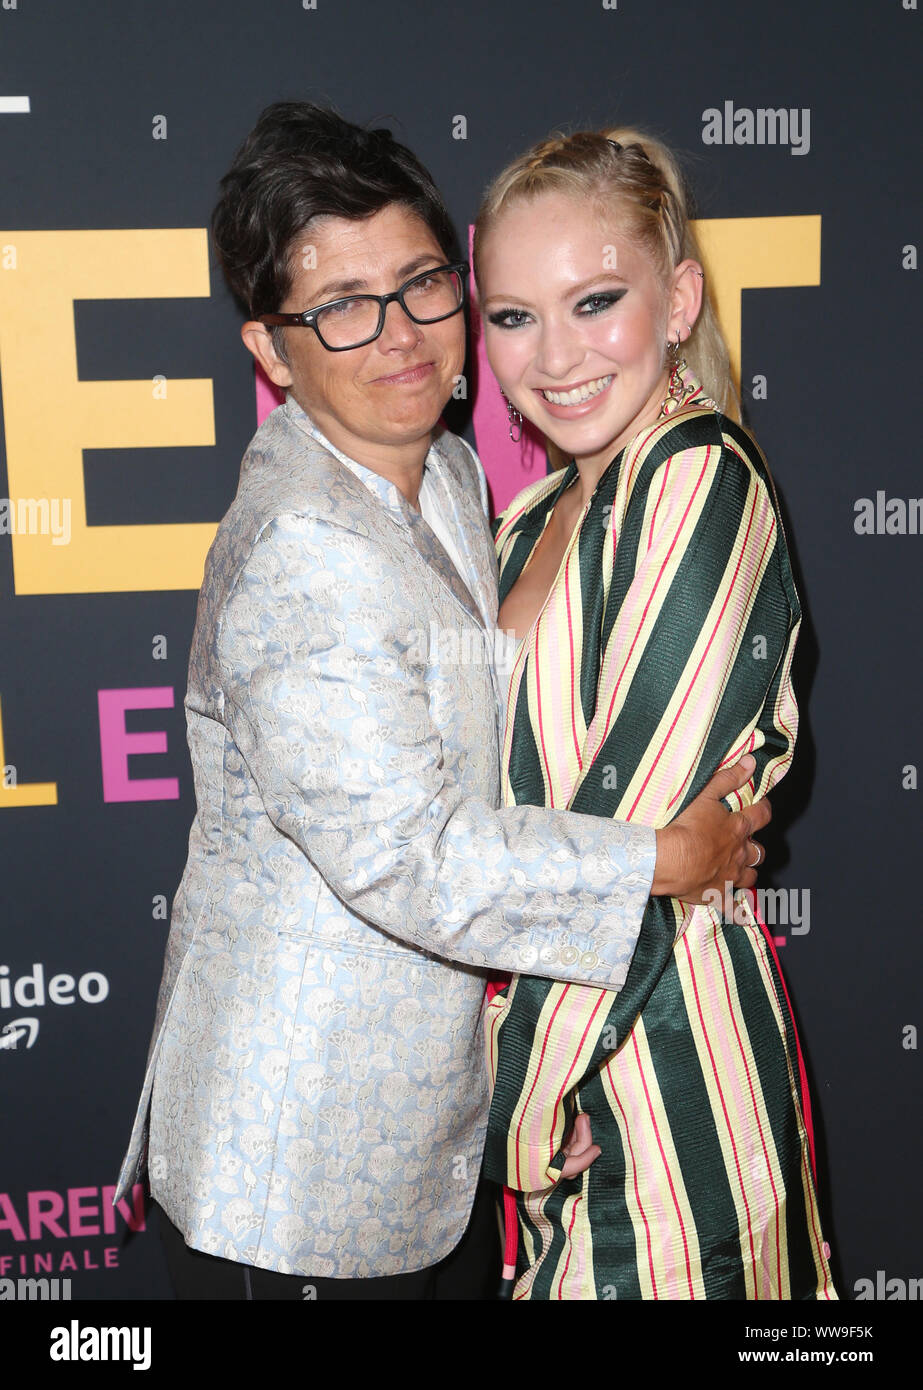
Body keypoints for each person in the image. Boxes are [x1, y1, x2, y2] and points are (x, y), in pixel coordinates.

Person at [113, 103, 769, 1301]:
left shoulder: (452, 472)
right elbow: (409, 855)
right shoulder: (301, 547)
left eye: (422, 285)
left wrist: (524, 1082)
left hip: (435, 1127)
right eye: (340, 308)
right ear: (270, 350)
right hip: (298, 1169)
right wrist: (658, 860)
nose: (399, 336)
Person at [474, 127, 836, 1300]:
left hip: (667, 1080)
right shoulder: (527, 519)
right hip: (558, 1079)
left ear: (677, 298)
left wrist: (511, 1112)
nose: (553, 355)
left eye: (594, 301)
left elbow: (619, 857)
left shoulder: (698, 478)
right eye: (514, 315)